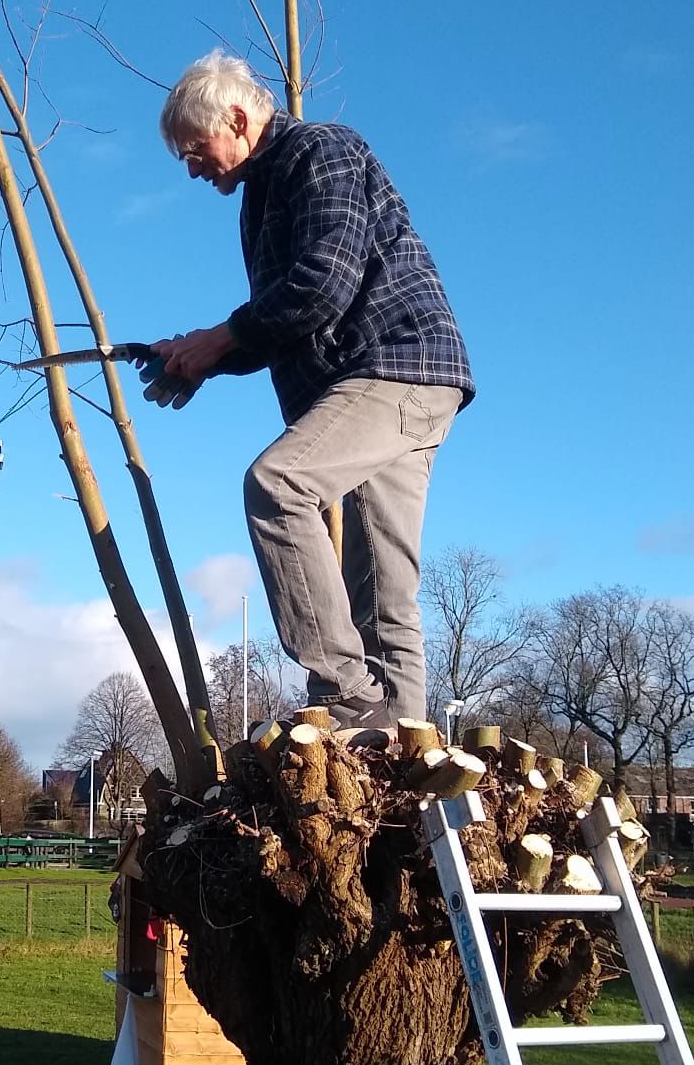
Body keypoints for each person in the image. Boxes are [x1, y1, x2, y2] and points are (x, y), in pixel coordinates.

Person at [148, 52, 473, 727]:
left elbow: (321, 285)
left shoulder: (319, 151)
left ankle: (345, 693)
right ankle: (403, 772)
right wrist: (203, 356)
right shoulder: (262, 196)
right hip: (399, 383)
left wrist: (220, 337)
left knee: (277, 484)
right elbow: (282, 324)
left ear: (237, 119)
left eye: (195, 148)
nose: (191, 167)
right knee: (382, 592)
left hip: (393, 368)